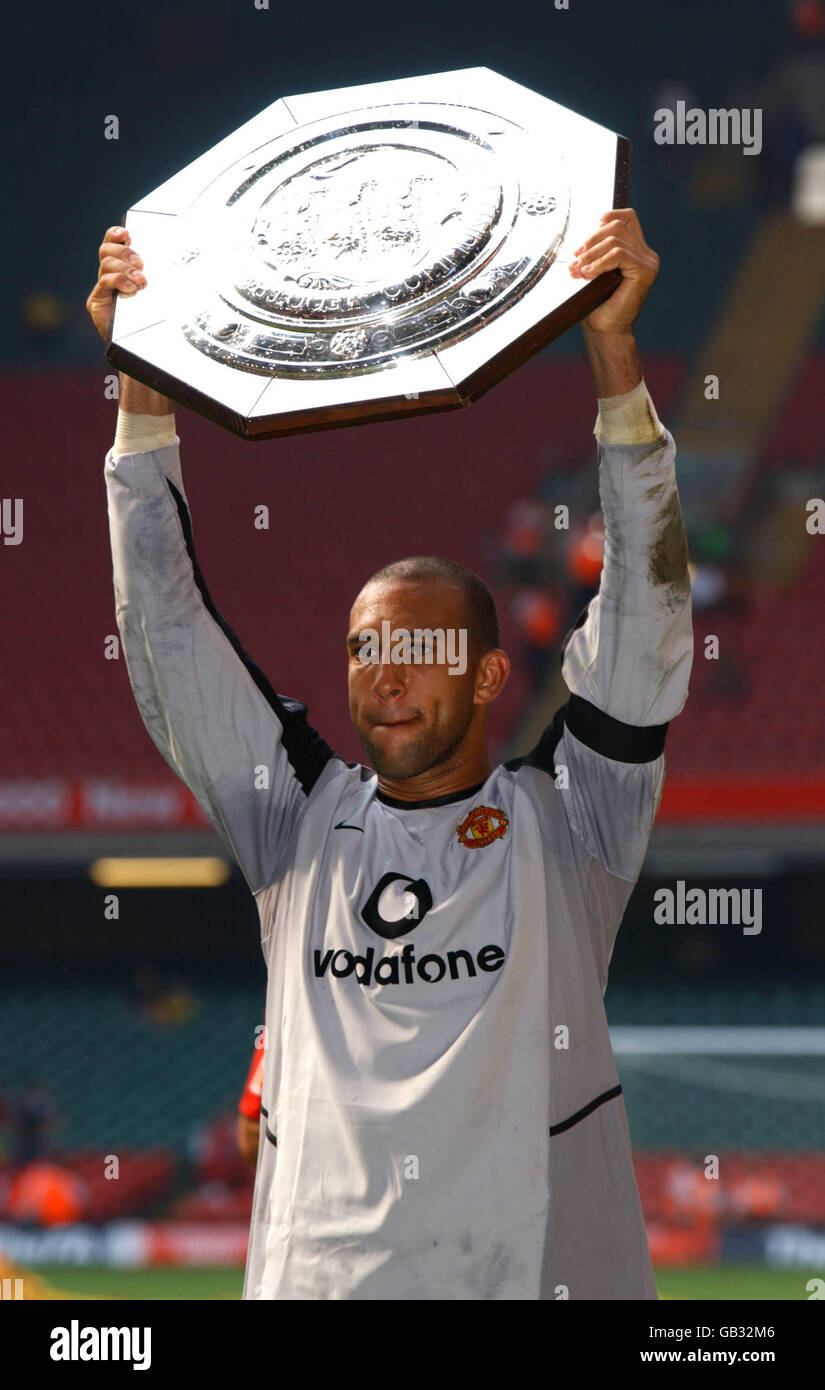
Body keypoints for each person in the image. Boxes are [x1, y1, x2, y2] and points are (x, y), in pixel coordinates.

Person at [87, 207, 693, 1299]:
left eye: (422, 646)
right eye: (368, 646)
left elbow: (648, 623)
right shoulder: (295, 819)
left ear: (492, 676)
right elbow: (168, 640)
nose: (387, 670)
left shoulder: (572, 823)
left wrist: (613, 359)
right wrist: (144, 384)